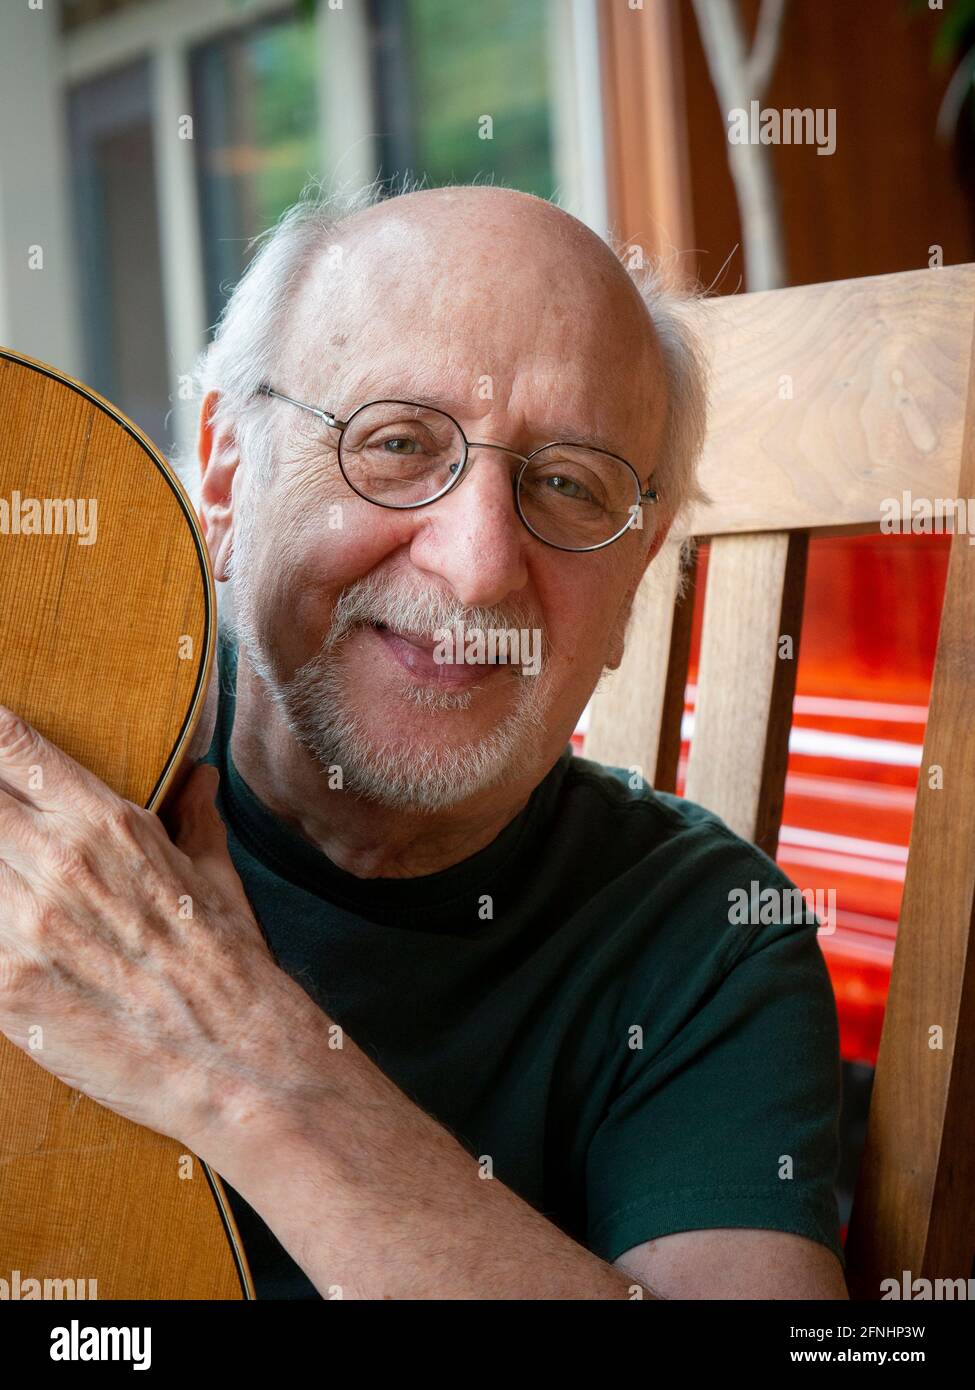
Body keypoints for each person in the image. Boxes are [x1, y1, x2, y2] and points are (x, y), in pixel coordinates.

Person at [0, 181, 847, 1299]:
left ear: (639, 578)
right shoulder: (49, 775)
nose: (479, 561)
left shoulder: (709, 940)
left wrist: (243, 1061)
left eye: (565, 484)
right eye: (395, 442)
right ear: (224, 472)